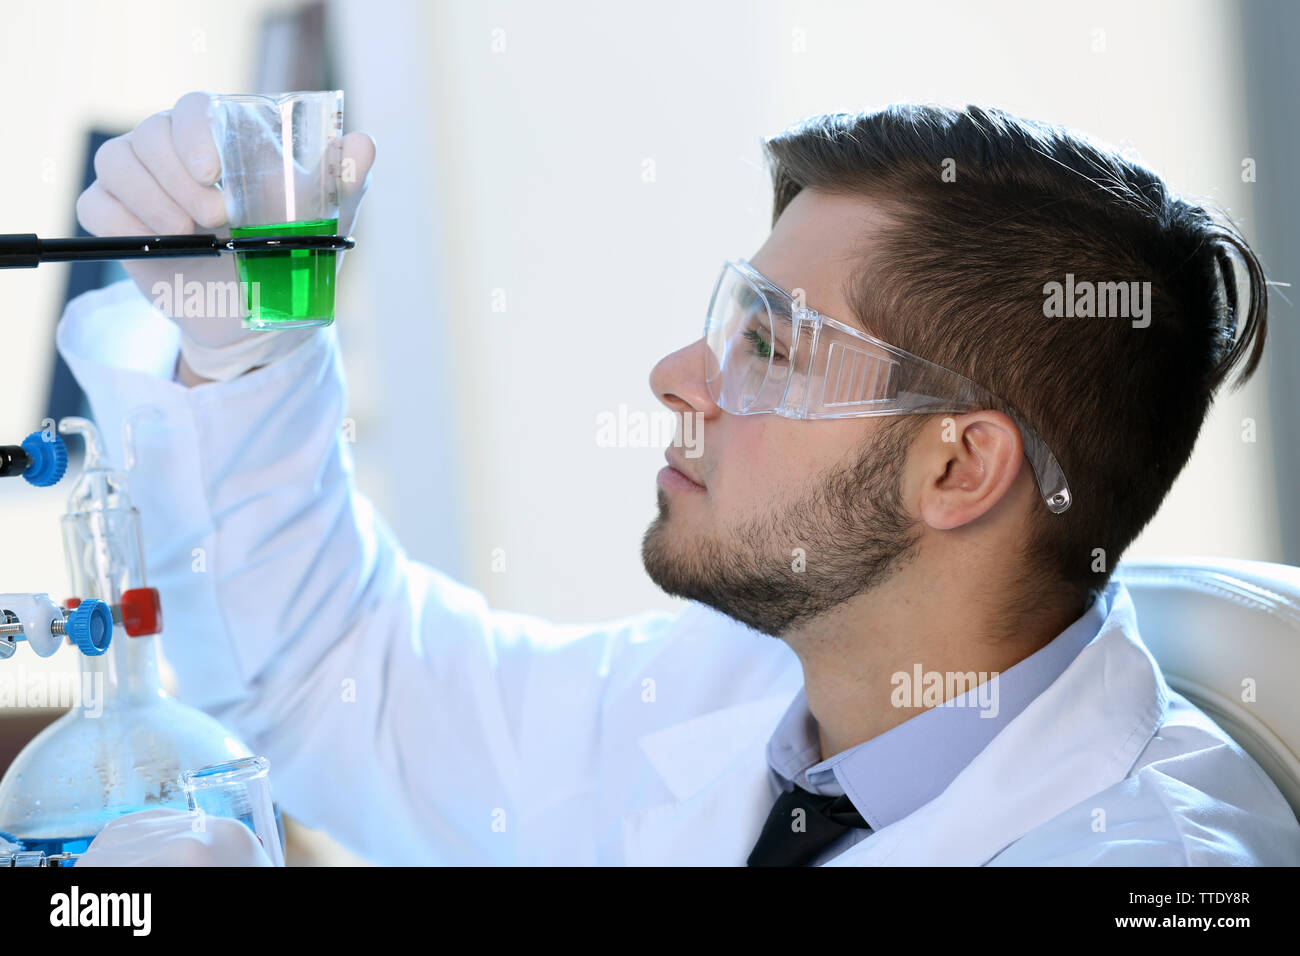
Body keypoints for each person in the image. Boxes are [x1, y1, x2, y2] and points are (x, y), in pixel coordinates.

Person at [63, 93, 1300, 866]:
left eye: (768, 342)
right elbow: (348, 688)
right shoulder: (757, 693)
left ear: (956, 463)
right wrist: (245, 357)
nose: (674, 374)